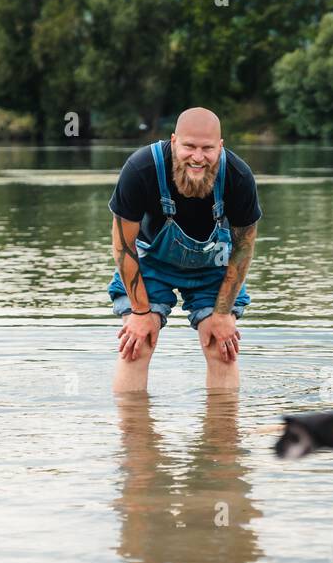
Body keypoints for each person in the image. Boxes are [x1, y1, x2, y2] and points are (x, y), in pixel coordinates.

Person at [107, 107, 260, 391]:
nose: (198, 157)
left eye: (207, 148)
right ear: (174, 140)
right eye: (189, 146)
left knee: (221, 348)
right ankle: (134, 433)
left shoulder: (238, 177)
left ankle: (221, 432)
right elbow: (122, 245)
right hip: (149, 263)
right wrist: (140, 314)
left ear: (220, 146)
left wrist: (223, 313)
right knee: (138, 344)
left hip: (215, 265)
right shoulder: (142, 168)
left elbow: (243, 249)